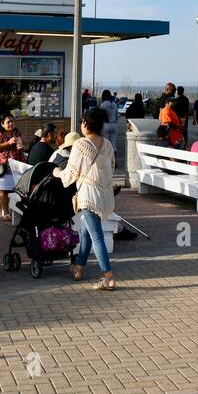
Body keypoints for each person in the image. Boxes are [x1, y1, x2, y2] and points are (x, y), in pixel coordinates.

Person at [56, 108, 118, 291]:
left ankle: (108, 277)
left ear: (86, 124)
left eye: (82, 121)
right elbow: (111, 169)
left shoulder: (80, 144)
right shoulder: (106, 144)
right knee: (86, 232)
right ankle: (79, 268)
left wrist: (57, 173)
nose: (81, 124)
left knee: (96, 236)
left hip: (88, 196)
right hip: (103, 195)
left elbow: (71, 172)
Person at [0, 114, 25, 220]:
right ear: (2, 124)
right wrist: (8, 143)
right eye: (8, 122)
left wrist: (22, 146)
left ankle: (19, 211)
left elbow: (21, 145)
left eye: (12, 121)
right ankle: (5, 212)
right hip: (4, 166)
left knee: (20, 189)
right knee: (4, 189)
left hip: (17, 165)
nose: (11, 124)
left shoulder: (16, 132)